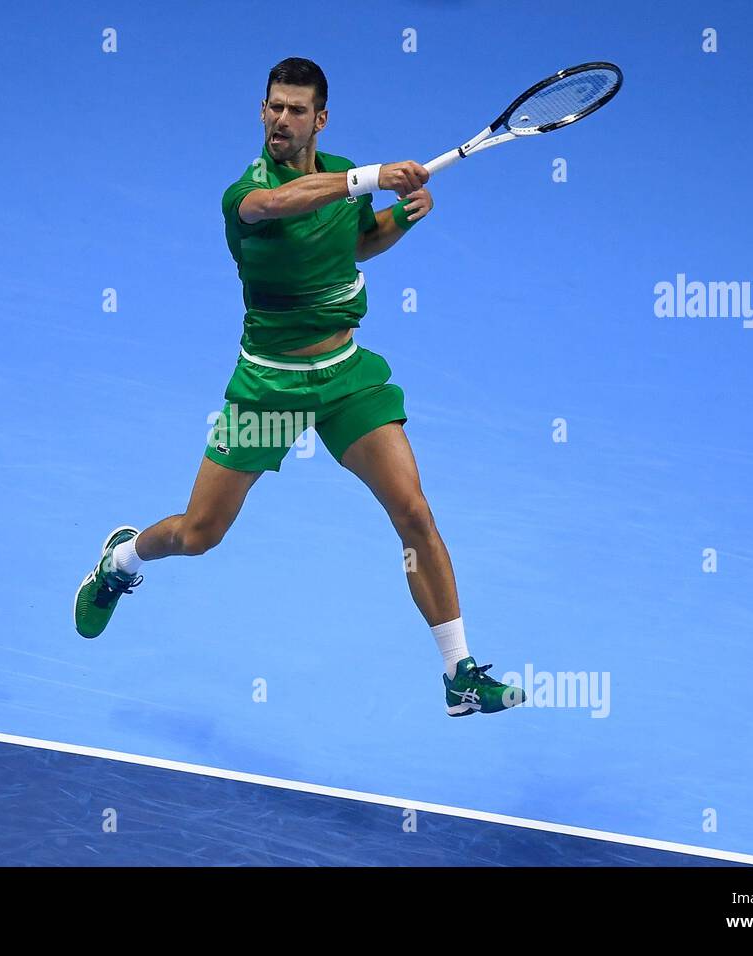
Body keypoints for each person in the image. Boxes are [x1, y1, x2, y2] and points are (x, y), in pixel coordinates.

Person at [74, 57, 525, 717]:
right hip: (269, 388)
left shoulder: (341, 181)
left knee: (414, 514)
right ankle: (121, 561)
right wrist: (367, 178)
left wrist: (401, 218)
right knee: (200, 533)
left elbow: (357, 244)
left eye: (294, 110)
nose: (279, 120)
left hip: (346, 377)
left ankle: (459, 674)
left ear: (321, 118)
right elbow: (282, 205)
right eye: (272, 107)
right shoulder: (248, 195)